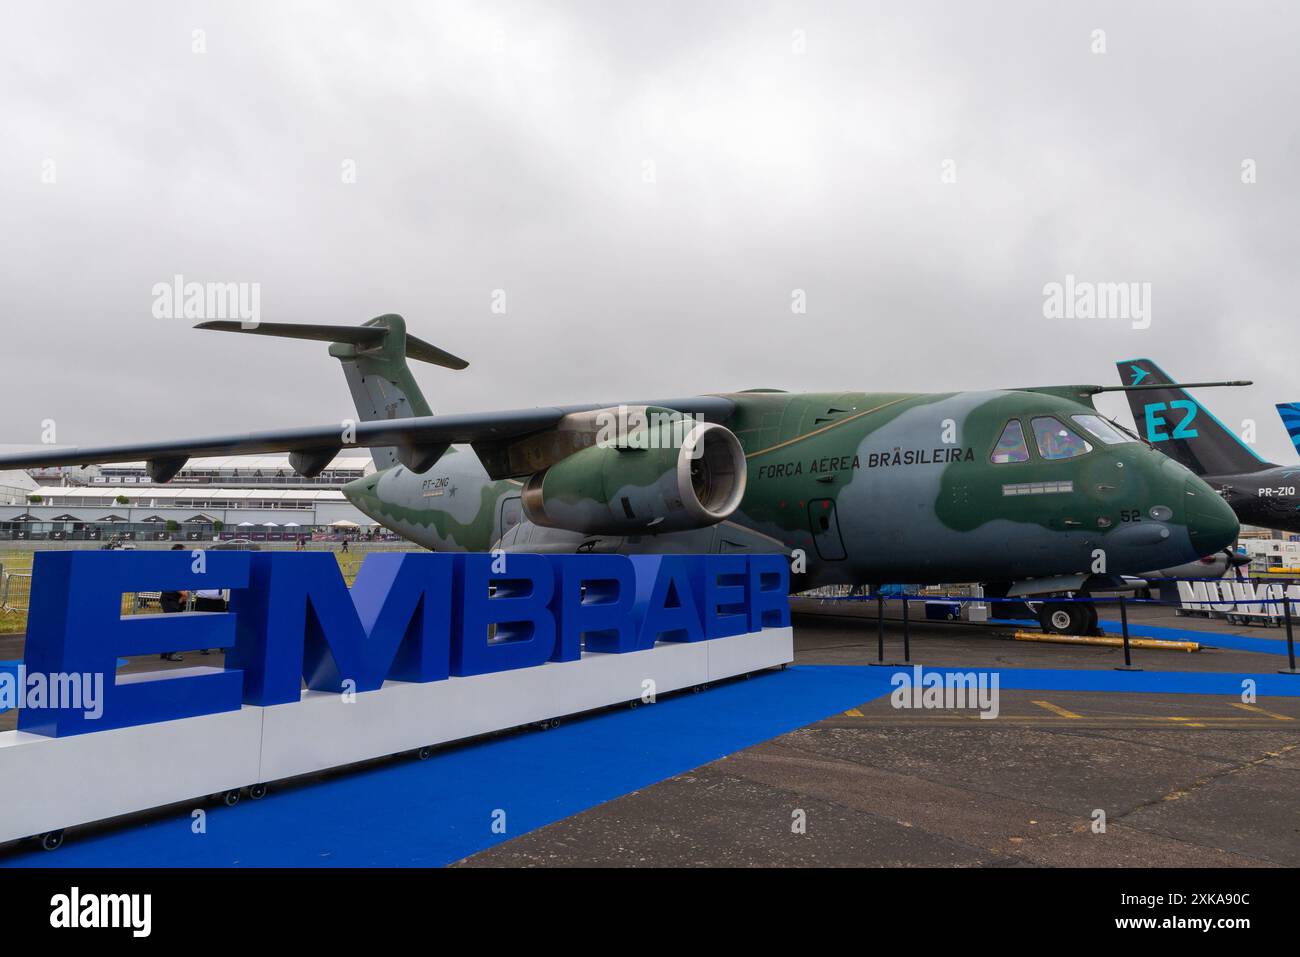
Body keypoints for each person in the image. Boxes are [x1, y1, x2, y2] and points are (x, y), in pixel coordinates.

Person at [158, 543, 188, 662]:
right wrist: (183, 593)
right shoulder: (171, 566)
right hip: (170, 597)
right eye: (185, 552)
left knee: (170, 625)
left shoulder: (180, 566)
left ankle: (165, 651)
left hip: (176, 598)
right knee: (173, 626)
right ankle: (171, 653)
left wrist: (183, 596)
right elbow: (170, 581)